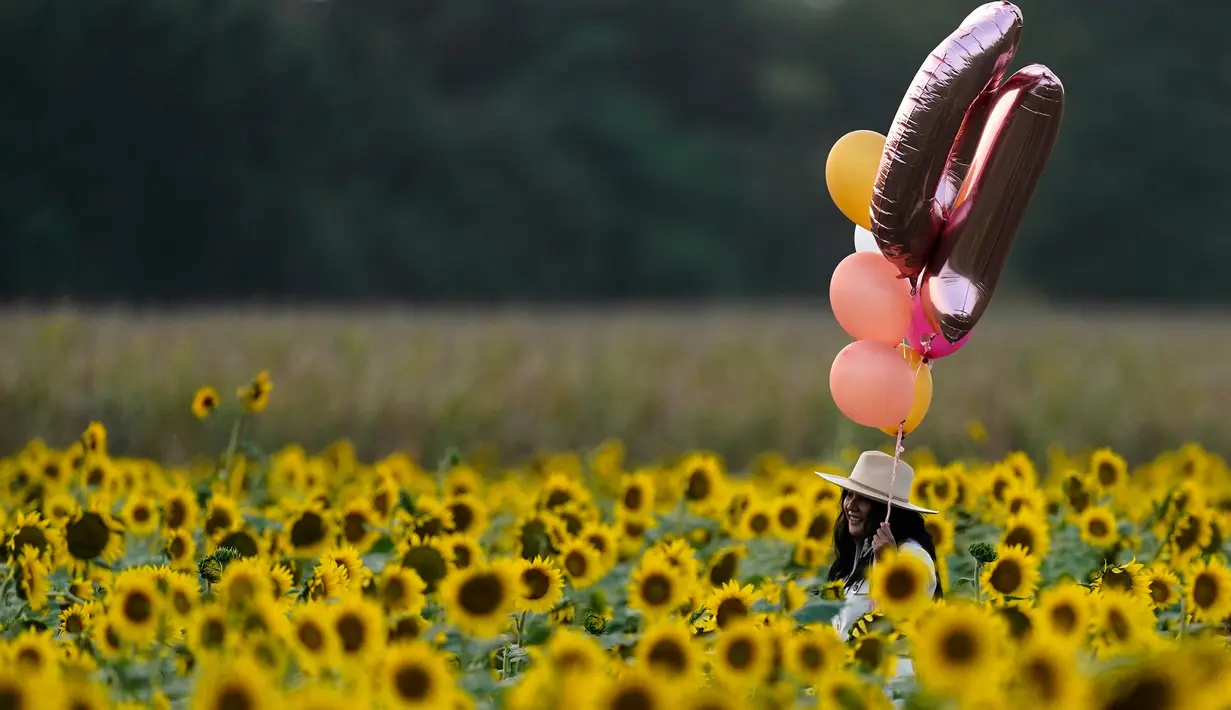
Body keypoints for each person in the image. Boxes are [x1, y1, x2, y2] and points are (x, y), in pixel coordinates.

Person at [816, 450, 943, 705]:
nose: (850, 505)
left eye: (863, 498)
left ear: (889, 511)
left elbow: (892, 624)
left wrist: (888, 565)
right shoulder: (857, 554)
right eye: (849, 494)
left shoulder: (913, 558)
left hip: (891, 696)